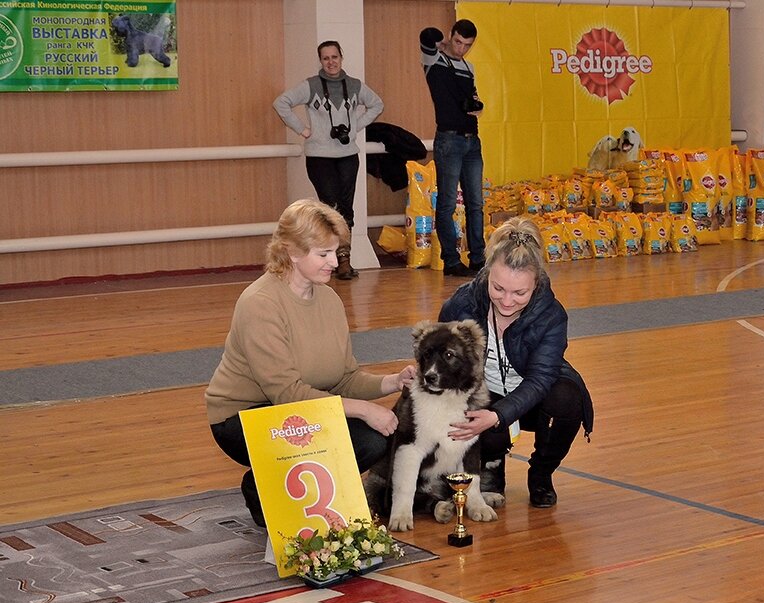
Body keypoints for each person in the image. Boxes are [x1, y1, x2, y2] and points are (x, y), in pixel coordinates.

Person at [206, 199, 415, 526]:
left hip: (302, 408)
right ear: (292, 252)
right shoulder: (260, 304)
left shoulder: (330, 300)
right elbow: (286, 394)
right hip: (243, 417)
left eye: (336, 252)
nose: (335, 262)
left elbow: (344, 377)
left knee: (377, 438)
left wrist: (392, 381)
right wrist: (363, 409)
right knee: (362, 431)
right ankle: (264, 482)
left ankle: (273, 480)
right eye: (324, 254)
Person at [438, 217, 593, 508]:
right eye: (498, 289)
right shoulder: (460, 305)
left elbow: (540, 380)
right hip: (484, 395)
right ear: (486, 274)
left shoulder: (552, 315)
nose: (507, 301)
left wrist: (497, 416)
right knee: (467, 415)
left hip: (532, 397)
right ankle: (491, 465)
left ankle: (542, 474)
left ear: (536, 284)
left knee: (567, 399)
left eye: (520, 293)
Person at [273, 41, 384, 280]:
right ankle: (327, 260)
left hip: (347, 156)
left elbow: (377, 104)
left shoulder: (354, 86)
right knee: (330, 208)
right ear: (320, 61)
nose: (331, 62)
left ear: (341, 58)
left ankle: (344, 261)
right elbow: (281, 103)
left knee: (346, 209)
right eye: (326, 58)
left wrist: (355, 127)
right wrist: (302, 129)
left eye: (335, 57)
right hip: (319, 157)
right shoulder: (311, 85)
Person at [420, 19, 486, 277]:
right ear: (451, 36)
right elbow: (427, 35)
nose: (461, 49)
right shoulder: (433, 61)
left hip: (472, 139)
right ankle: (451, 260)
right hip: (448, 139)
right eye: (458, 42)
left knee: (476, 204)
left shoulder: (469, 67)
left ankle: (478, 259)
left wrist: (478, 106)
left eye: (467, 45)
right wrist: (443, 44)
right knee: (446, 203)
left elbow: (475, 99)